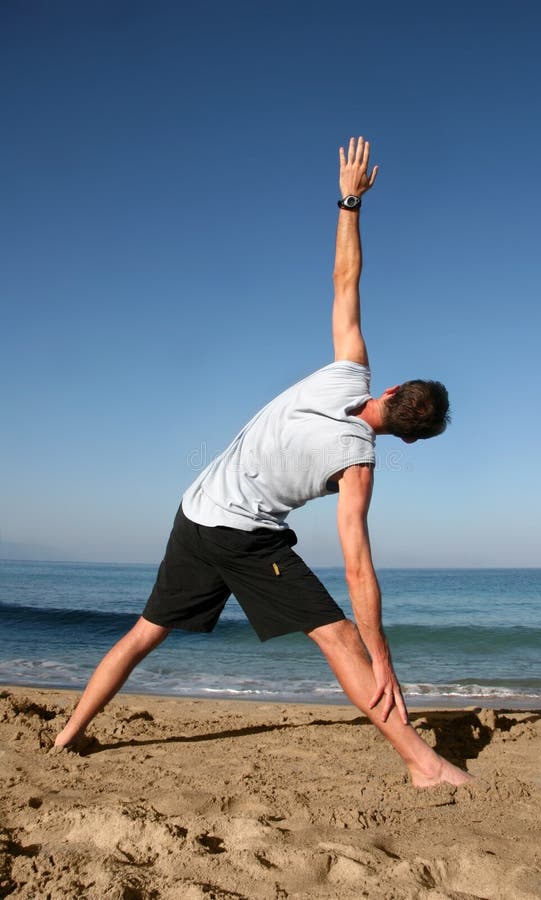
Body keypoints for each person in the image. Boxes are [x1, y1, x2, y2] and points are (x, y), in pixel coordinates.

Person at [55, 137, 472, 788]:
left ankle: (67, 734)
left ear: (391, 391)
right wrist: (382, 654)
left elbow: (345, 278)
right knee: (339, 639)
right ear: (407, 438)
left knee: (143, 634)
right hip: (242, 535)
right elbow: (358, 567)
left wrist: (350, 201)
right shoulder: (358, 466)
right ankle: (423, 765)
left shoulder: (347, 369)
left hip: (196, 507)